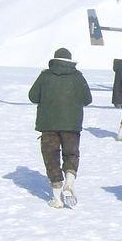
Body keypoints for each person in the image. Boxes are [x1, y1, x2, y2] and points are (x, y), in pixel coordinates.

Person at [28, 47, 93, 208]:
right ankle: (69, 183)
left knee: (51, 157)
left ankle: (57, 199)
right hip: (71, 125)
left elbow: (33, 96)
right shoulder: (78, 77)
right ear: (70, 60)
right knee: (71, 154)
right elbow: (87, 99)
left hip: (48, 124)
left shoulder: (45, 76)